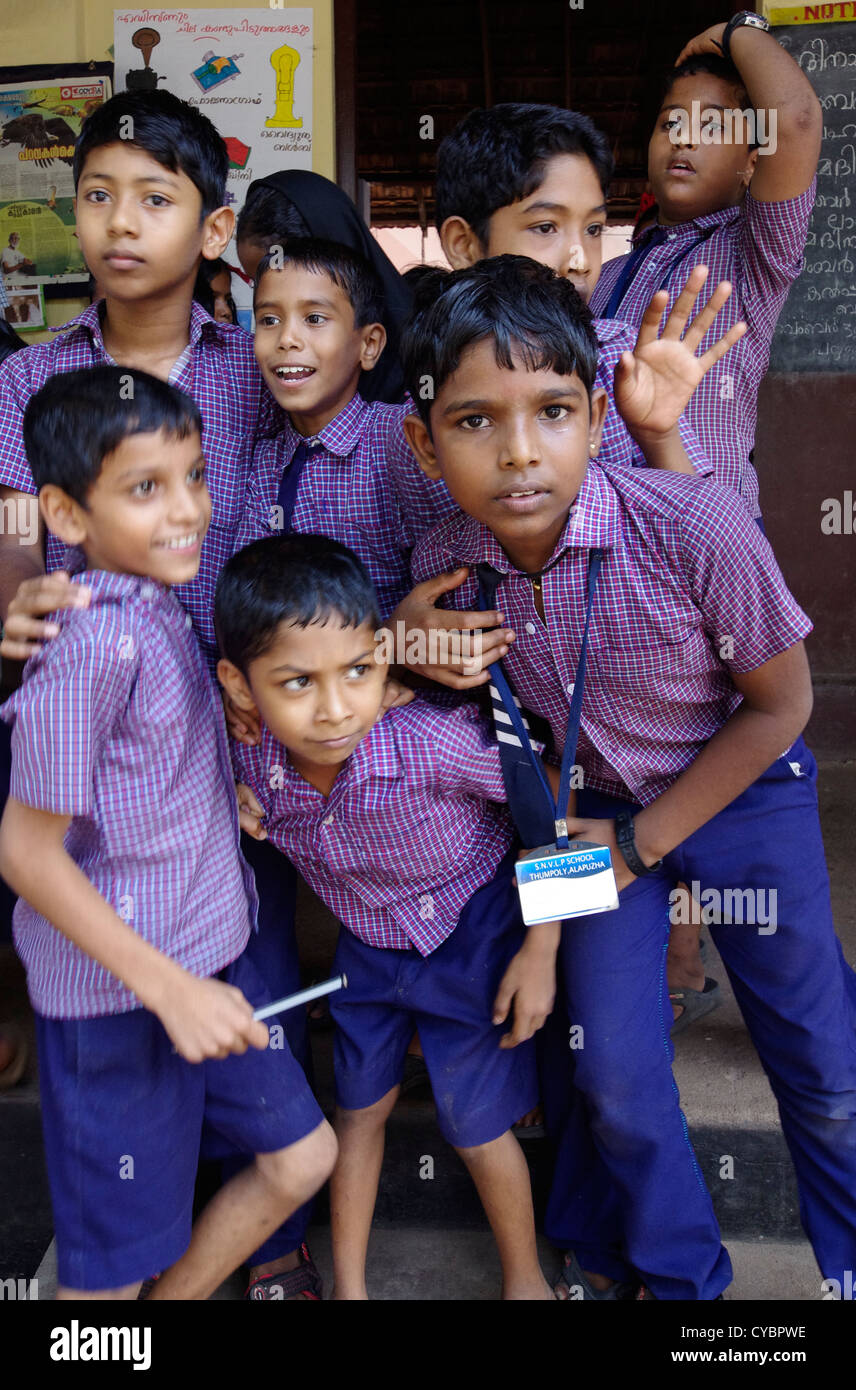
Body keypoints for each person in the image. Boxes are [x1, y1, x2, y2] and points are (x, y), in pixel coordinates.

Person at [402, 256, 856, 1299]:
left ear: (597, 417)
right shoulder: (444, 560)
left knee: (821, 1063)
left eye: (552, 411)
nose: (520, 453)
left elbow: (783, 706)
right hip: (586, 809)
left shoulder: (691, 524)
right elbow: (491, 733)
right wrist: (394, 639)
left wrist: (645, 843)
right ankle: (682, 1283)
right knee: (607, 1069)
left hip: (745, 782)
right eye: (473, 422)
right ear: (424, 443)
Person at [0, 88, 328, 1303]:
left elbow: (350, 447)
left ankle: (225, 1265)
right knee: (127, 1124)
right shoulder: (32, 378)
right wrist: (25, 596)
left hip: (222, 752)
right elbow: (15, 536)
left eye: (155, 197)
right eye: (97, 196)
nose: (121, 223)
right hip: (92, 754)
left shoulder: (253, 367)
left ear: (210, 225)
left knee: (258, 1076)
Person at [432, 98, 749, 1027]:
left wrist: (659, 435)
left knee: (801, 1016)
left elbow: (696, 533)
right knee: (598, 1053)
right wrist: (407, 628)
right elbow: (445, 620)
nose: (577, 256)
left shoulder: (624, 369)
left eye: (595, 227)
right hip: (567, 776)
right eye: (544, 226)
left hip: (703, 749)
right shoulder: (445, 390)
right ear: (461, 242)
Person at [215, 532, 556, 1301]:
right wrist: (224, 797)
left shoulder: (435, 744)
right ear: (241, 689)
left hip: (471, 932)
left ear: (384, 656)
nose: (336, 710)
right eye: (297, 682)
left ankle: (526, 1280)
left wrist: (543, 947)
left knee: (475, 1128)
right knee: (358, 1113)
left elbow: (549, 804)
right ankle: (352, 1289)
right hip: (367, 946)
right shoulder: (245, 753)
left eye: (359, 672)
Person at [591, 21, 821, 515]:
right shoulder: (605, 274)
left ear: (752, 163)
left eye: (711, 126)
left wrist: (734, 30)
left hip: (710, 534)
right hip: (613, 539)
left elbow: (796, 120)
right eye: (671, 122)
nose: (683, 139)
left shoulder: (754, 251)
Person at [236, 168, 413, 405]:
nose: (287, 339)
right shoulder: (270, 401)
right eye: (256, 284)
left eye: (315, 318)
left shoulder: (417, 391)